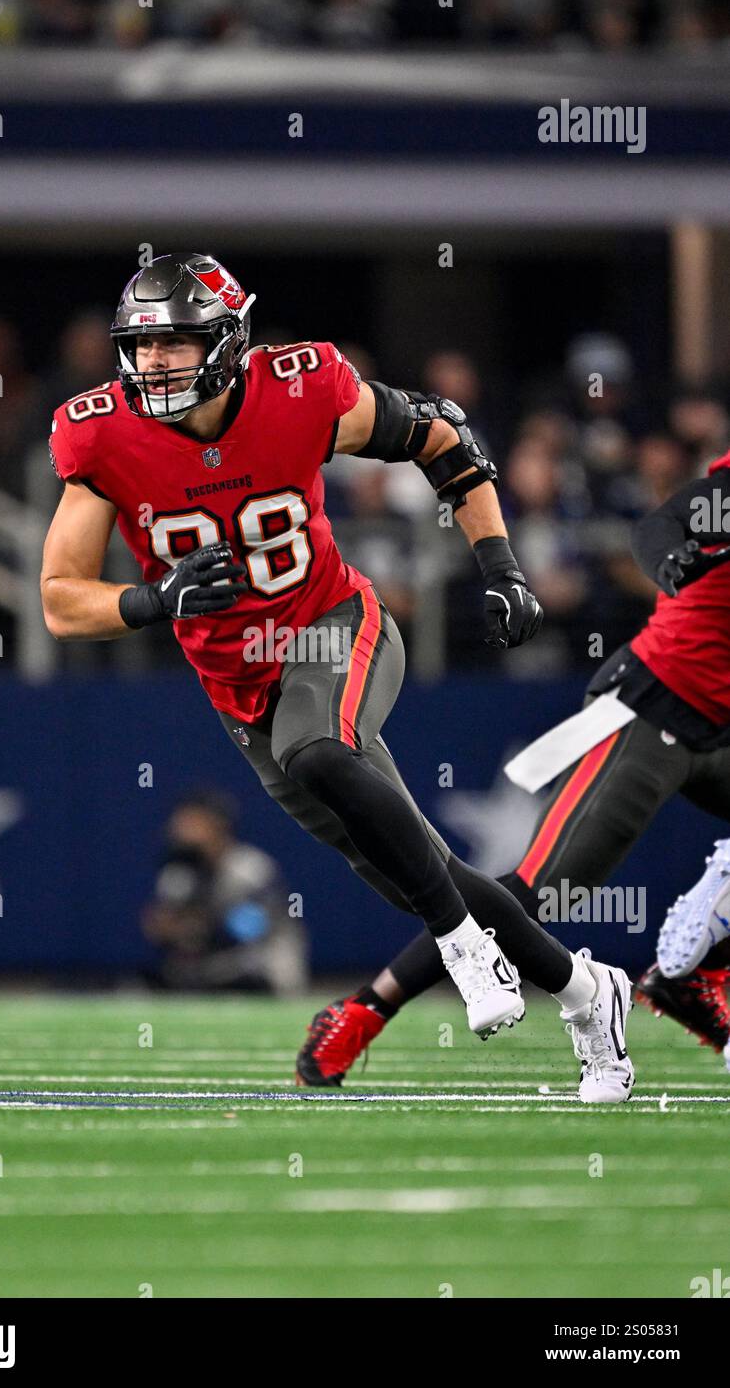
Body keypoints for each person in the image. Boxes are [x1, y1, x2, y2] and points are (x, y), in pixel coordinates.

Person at [40, 251, 634, 1103]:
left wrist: (499, 563)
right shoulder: (102, 433)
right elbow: (61, 599)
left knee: (320, 750)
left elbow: (441, 431)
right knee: (413, 864)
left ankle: (465, 946)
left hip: (334, 627)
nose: (155, 362)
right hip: (240, 690)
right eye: (143, 344)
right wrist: (152, 596)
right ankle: (586, 991)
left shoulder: (300, 388)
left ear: (227, 339)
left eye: (176, 341)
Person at [298, 451, 730, 1083]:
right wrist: (674, 562)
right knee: (537, 894)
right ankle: (369, 1006)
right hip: (647, 712)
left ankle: (693, 973)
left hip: (719, 729)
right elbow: (661, 526)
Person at [141, 789, 307, 994]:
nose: (181, 829)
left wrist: (201, 924)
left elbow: (252, 929)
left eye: (192, 822)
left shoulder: (250, 869)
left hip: (262, 967)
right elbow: (168, 931)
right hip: (209, 970)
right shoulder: (178, 872)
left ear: (217, 824)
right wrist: (167, 927)